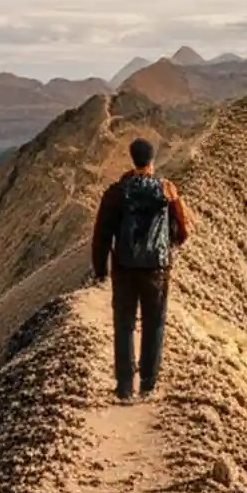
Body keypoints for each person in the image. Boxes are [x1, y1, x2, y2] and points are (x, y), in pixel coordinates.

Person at [92, 138, 191, 399]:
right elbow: (182, 231)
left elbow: (102, 234)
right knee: (154, 323)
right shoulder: (167, 191)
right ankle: (148, 384)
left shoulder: (116, 192)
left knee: (124, 324)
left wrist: (100, 269)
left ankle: (124, 388)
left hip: (124, 268)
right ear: (152, 161)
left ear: (131, 159)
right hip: (157, 269)